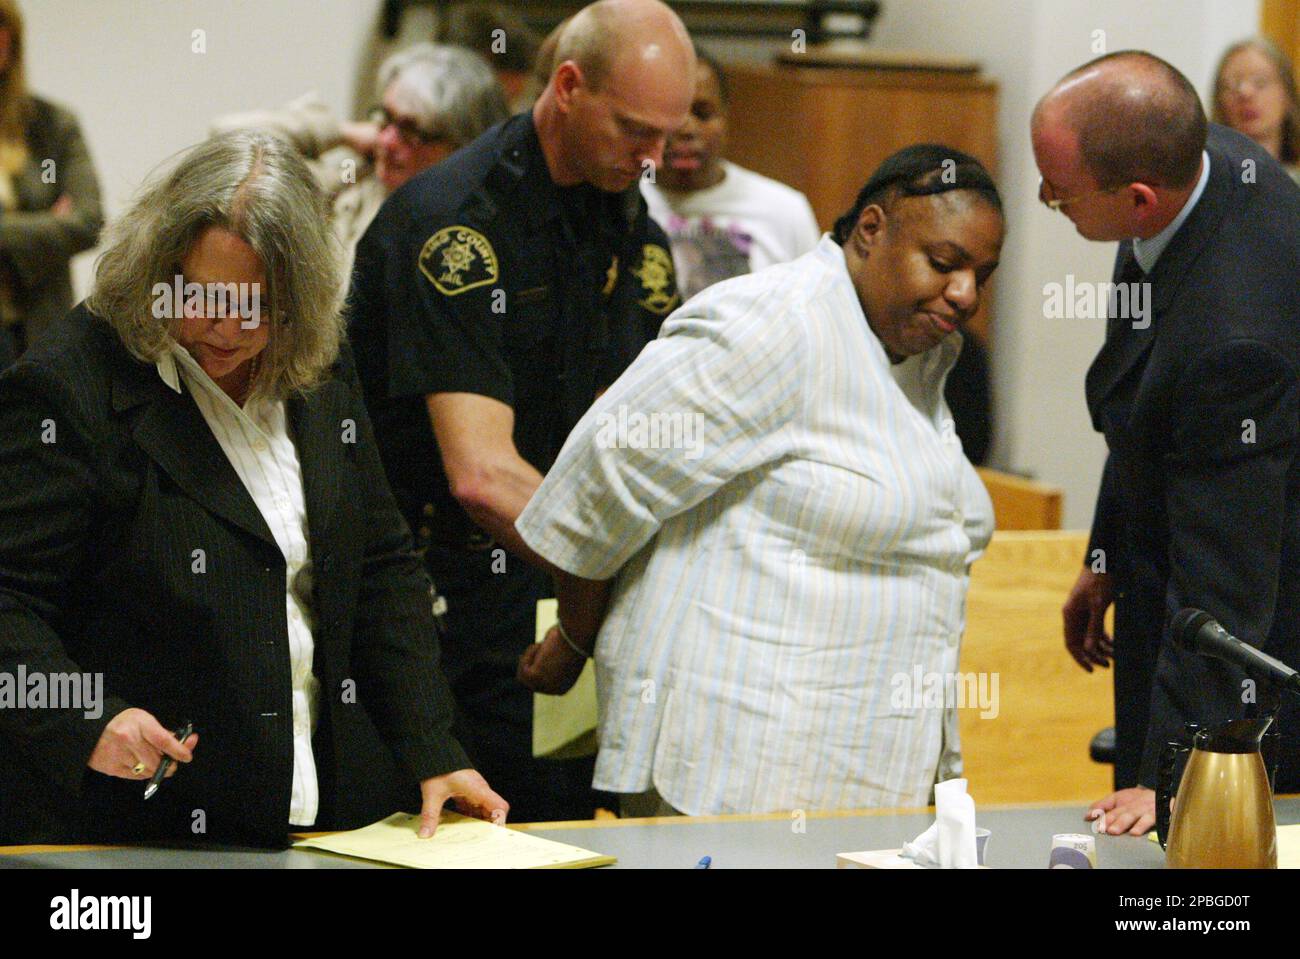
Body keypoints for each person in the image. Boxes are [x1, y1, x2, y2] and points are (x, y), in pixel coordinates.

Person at [0, 132, 506, 846]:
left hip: (325, 812)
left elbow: (383, 564)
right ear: (159, 267)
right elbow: (7, 600)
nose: (225, 328)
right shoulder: (71, 381)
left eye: (257, 305)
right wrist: (87, 717)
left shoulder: (319, 362)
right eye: (199, 295)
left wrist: (432, 744)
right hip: (143, 820)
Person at [516, 145, 1004, 817]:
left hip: (856, 764)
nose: (966, 294)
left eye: (983, 274)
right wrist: (576, 633)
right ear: (870, 230)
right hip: (740, 771)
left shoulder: (923, 354)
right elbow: (604, 466)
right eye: (945, 264)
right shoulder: (778, 323)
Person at [346, 0, 693, 822]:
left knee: (559, 826)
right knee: (454, 836)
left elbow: (632, 424)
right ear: (567, 86)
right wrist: (593, 581)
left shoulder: (626, 218)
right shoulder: (455, 222)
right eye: (635, 131)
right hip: (429, 600)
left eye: (666, 138)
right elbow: (480, 474)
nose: (653, 159)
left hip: (553, 592)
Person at [1033, 51, 1300, 837]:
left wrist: (1174, 776)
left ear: (1139, 200)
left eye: (1059, 190)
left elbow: (1229, 584)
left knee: (1183, 872)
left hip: (1255, 627)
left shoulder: (1236, 333)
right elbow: (1140, 403)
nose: (1046, 196)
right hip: (1171, 560)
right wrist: (1105, 555)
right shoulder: (1192, 159)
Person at [212, 43, 508, 284]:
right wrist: (343, 132)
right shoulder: (352, 180)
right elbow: (226, 137)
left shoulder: (468, 231)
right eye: (386, 118)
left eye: (410, 131)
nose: (388, 141)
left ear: (463, 147)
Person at [641, 46, 820, 300]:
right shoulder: (619, 203)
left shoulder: (786, 210)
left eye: (703, 114)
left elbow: (811, 312)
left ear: (726, 118)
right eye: (673, 113)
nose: (686, 129)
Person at [0, 0, 103, 362]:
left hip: (35, 330)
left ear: (10, 41)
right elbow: (66, 228)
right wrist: (48, 225)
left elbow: (89, 220)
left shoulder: (53, 126)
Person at [1211, 37, 1300, 184]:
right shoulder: (1210, 184)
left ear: (1287, 95)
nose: (1245, 93)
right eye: (1233, 85)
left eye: (1260, 82)